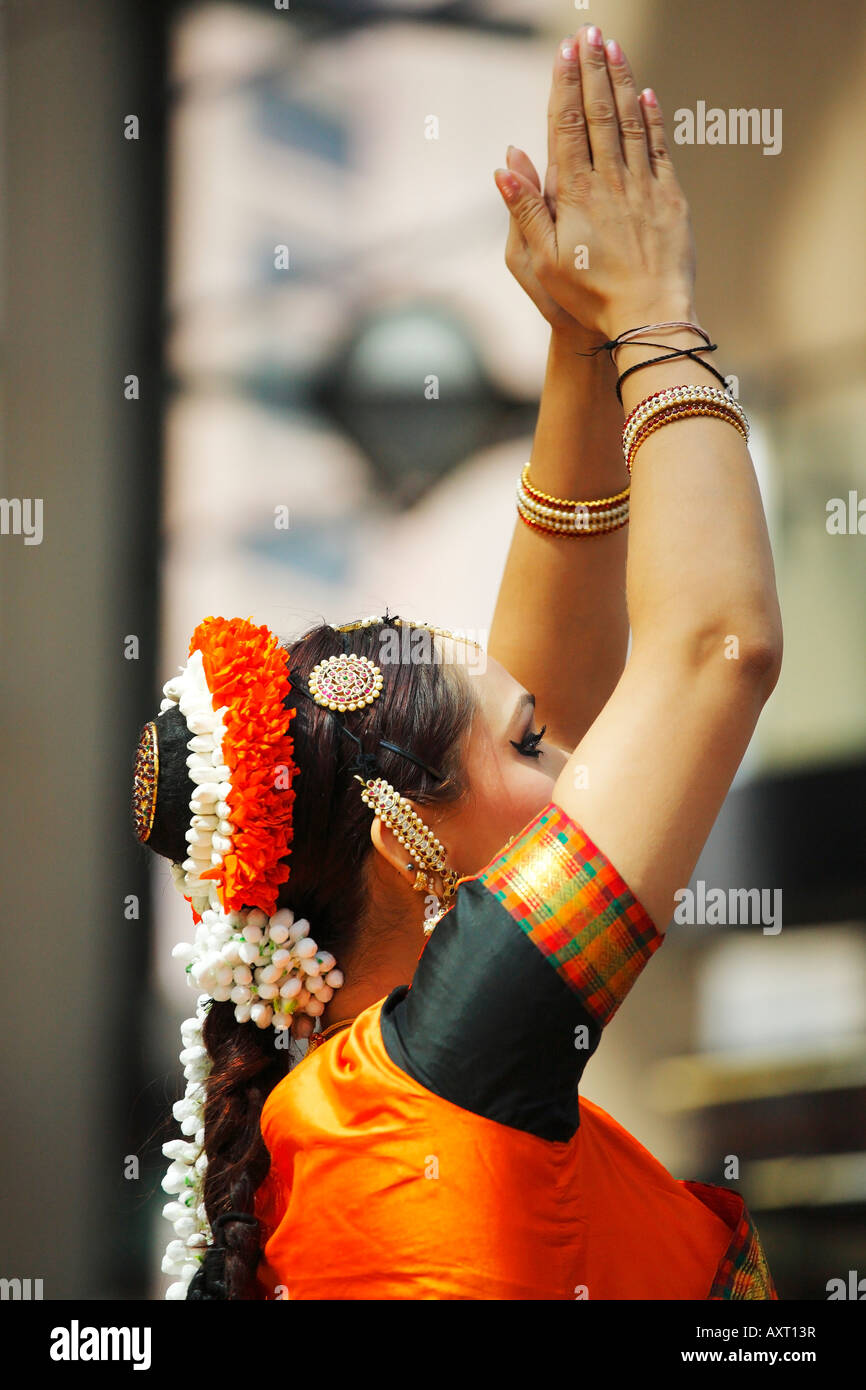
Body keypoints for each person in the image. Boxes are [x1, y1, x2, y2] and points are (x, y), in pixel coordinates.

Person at [134, 26, 782, 1300]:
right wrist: (655, 315)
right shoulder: (440, 1059)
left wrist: (576, 346)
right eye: (532, 749)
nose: (576, 757)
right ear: (400, 836)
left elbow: (555, 690)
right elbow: (719, 649)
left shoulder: (364, 1089)